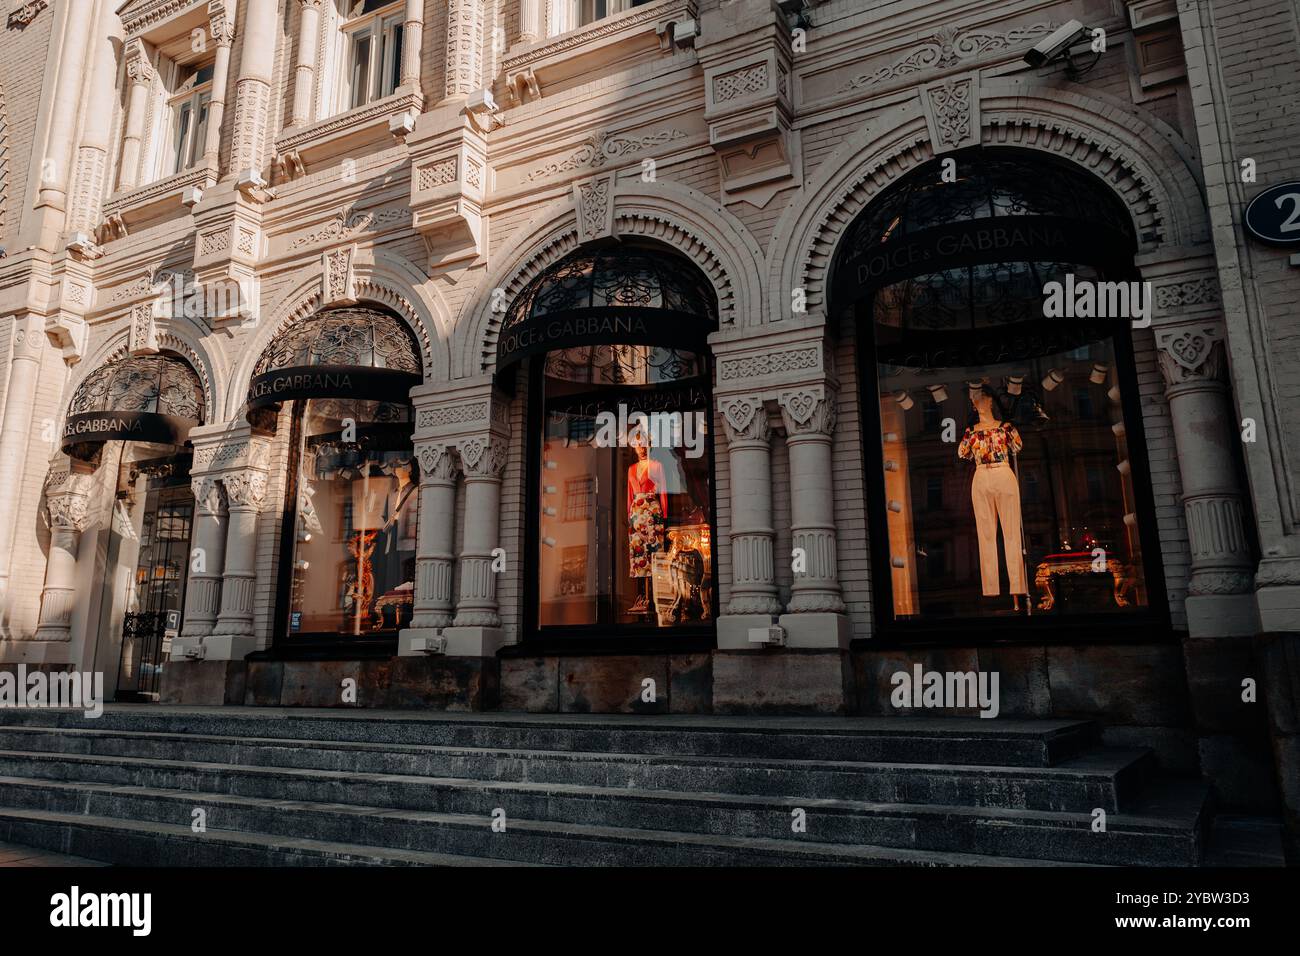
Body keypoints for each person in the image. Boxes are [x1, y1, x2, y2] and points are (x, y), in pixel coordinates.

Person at [957, 385, 1027, 609]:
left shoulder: (1005, 427)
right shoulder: (971, 431)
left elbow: (1017, 446)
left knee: (1011, 532)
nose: (979, 400)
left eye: (983, 397)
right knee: (985, 534)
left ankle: (1017, 586)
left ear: (990, 402)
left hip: (1003, 472)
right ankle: (991, 589)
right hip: (981, 475)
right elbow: (962, 453)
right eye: (975, 398)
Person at [626, 427, 668, 614]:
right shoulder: (631, 469)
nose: (640, 448)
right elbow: (629, 495)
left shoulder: (657, 465)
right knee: (638, 554)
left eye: (643, 444)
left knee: (653, 553)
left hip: (651, 511)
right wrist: (629, 515)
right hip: (636, 513)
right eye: (637, 445)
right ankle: (642, 598)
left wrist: (664, 515)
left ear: (648, 445)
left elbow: (664, 491)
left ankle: (654, 597)